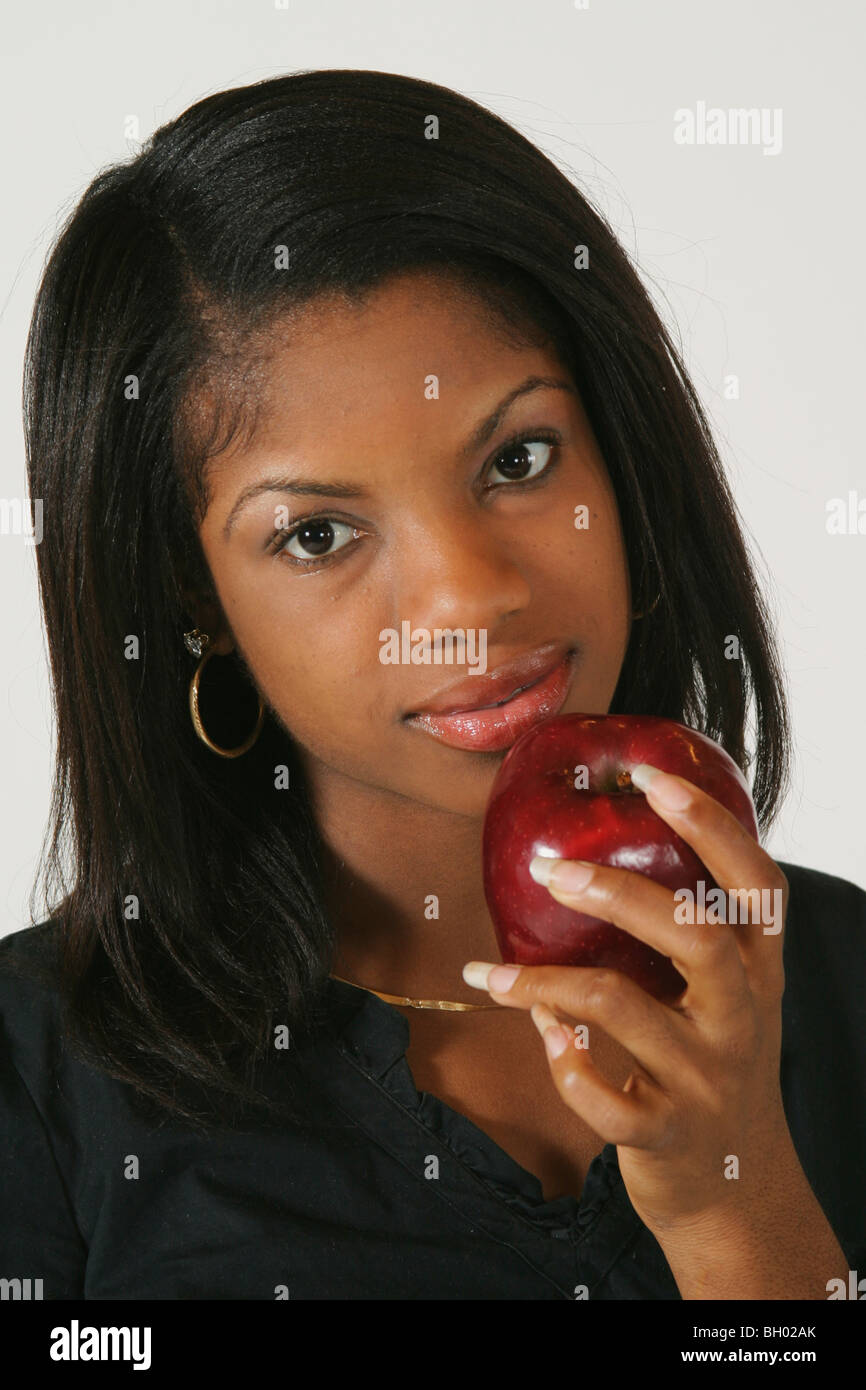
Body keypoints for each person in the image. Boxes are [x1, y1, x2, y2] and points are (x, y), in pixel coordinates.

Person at [2, 68, 864, 1301]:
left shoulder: (845, 983)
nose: (469, 597)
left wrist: (737, 1207)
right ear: (195, 600)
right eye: (315, 535)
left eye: (516, 457)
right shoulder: (42, 1085)